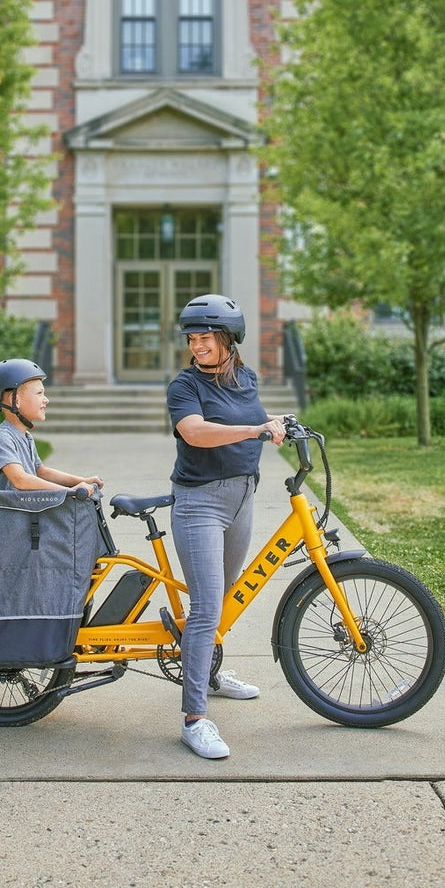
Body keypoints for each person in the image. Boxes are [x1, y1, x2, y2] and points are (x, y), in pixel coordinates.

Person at [166, 294, 286, 760]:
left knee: (227, 597)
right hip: (199, 504)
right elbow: (195, 432)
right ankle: (194, 720)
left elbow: (251, 418)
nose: (197, 346)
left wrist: (276, 423)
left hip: (241, 498)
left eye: (206, 338)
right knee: (206, 608)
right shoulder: (184, 387)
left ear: (229, 340)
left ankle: (211, 673)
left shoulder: (246, 379)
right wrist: (256, 431)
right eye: (192, 339)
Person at [0, 358, 104, 494]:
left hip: (23, 512)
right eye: (39, 393)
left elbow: (40, 472)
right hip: (5, 513)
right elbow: (20, 479)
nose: (46, 400)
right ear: (15, 400)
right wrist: (68, 492)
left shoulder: (26, 436)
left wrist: (81, 481)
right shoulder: (2, 437)